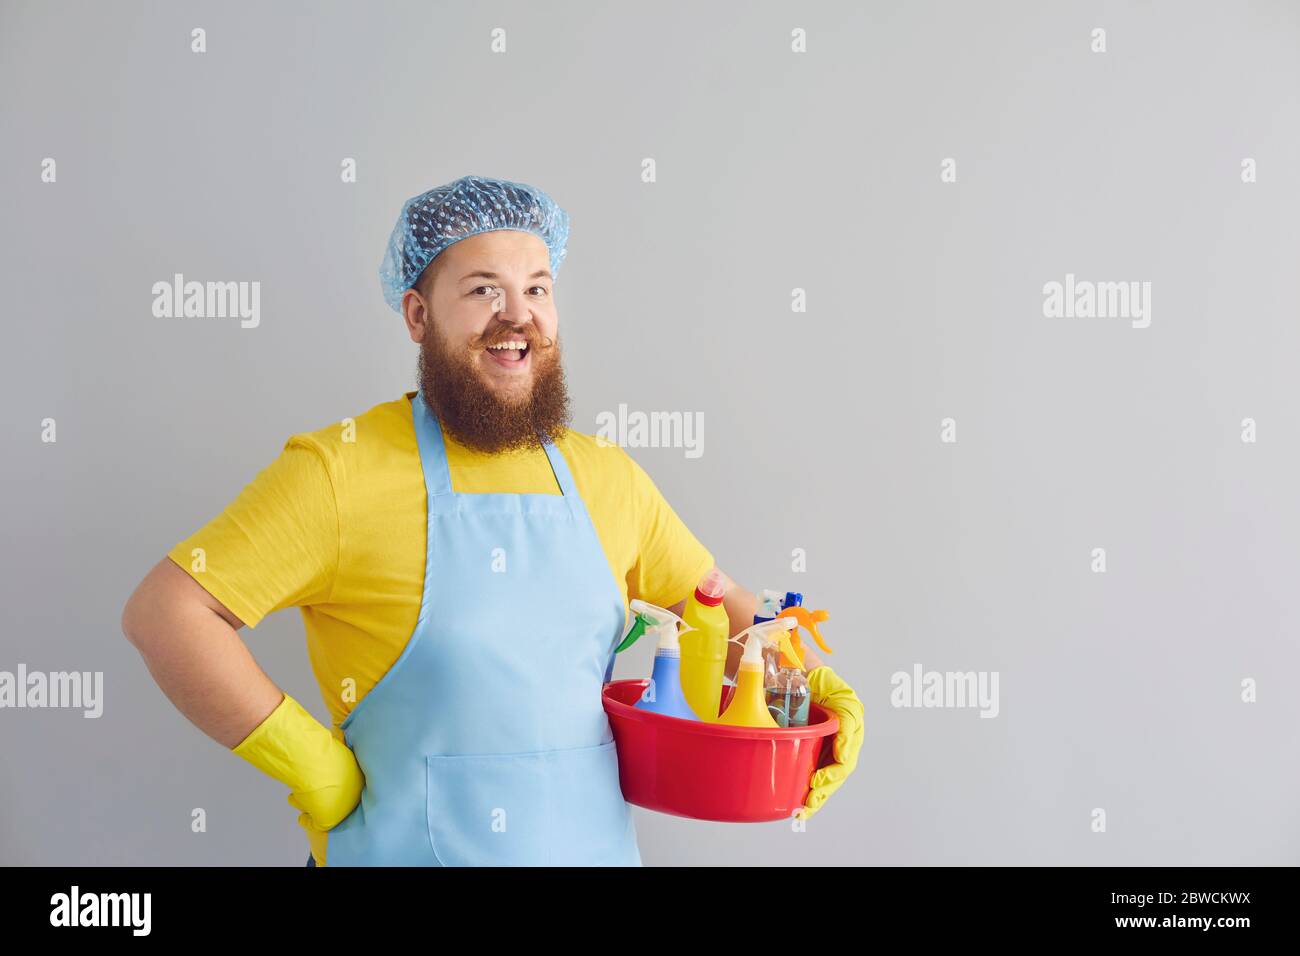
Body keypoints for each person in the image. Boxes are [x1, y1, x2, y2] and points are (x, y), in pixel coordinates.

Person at [121, 174, 864, 867]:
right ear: (418, 315)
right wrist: (313, 768)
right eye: (484, 290)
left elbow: (728, 616)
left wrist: (811, 691)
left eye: (537, 288)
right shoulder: (339, 472)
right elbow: (167, 613)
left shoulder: (608, 479)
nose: (519, 316)